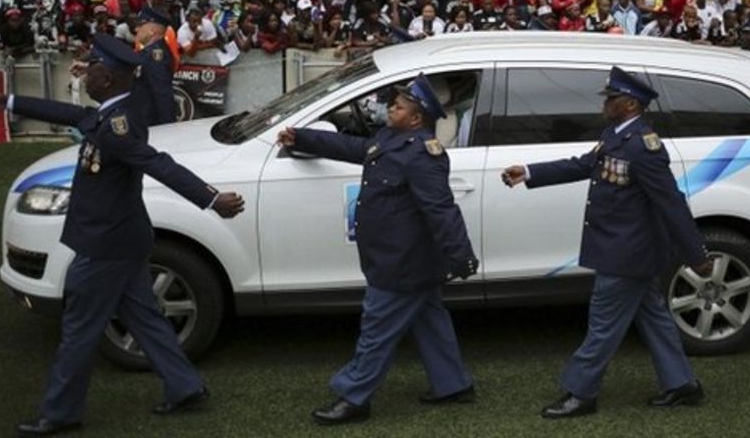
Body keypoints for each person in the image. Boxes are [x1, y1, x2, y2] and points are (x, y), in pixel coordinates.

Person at [0, 34, 245, 437]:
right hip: (123, 239)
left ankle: (61, 411)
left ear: (111, 77)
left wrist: (212, 199)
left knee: (79, 330)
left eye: (93, 66)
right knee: (145, 319)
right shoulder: (113, 111)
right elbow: (70, 114)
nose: (85, 71)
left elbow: (160, 164)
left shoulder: (117, 127)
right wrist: (10, 102)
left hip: (104, 246)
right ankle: (185, 387)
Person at [500, 66, 714, 419]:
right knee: (655, 318)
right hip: (627, 250)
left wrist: (696, 255)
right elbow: (585, 164)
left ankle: (581, 392)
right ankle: (682, 384)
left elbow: (671, 203)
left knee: (603, 325)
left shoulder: (644, 147)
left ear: (630, 104)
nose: (605, 104)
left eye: (611, 99)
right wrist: (530, 172)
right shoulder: (617, 135)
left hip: (626, 254)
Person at [277, 74, 479, 425]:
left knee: (377, 325)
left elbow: (441, 209)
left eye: (398, 107)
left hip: (402, 260)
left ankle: (354, 395)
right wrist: (303, 138)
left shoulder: (423, 154)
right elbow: (355, 149)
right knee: (429, 319)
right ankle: (453, 384)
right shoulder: (391, 138)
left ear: (416, 119)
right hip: (392, 254)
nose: (390, 108)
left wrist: (461, 256)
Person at [133, 7, 178, 125]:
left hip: (151, 123)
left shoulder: (155, 55)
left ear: (152, 30)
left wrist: (167, 128)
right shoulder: (149, 52)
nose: (136, 29)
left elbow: (162, 94)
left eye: (140, 25)